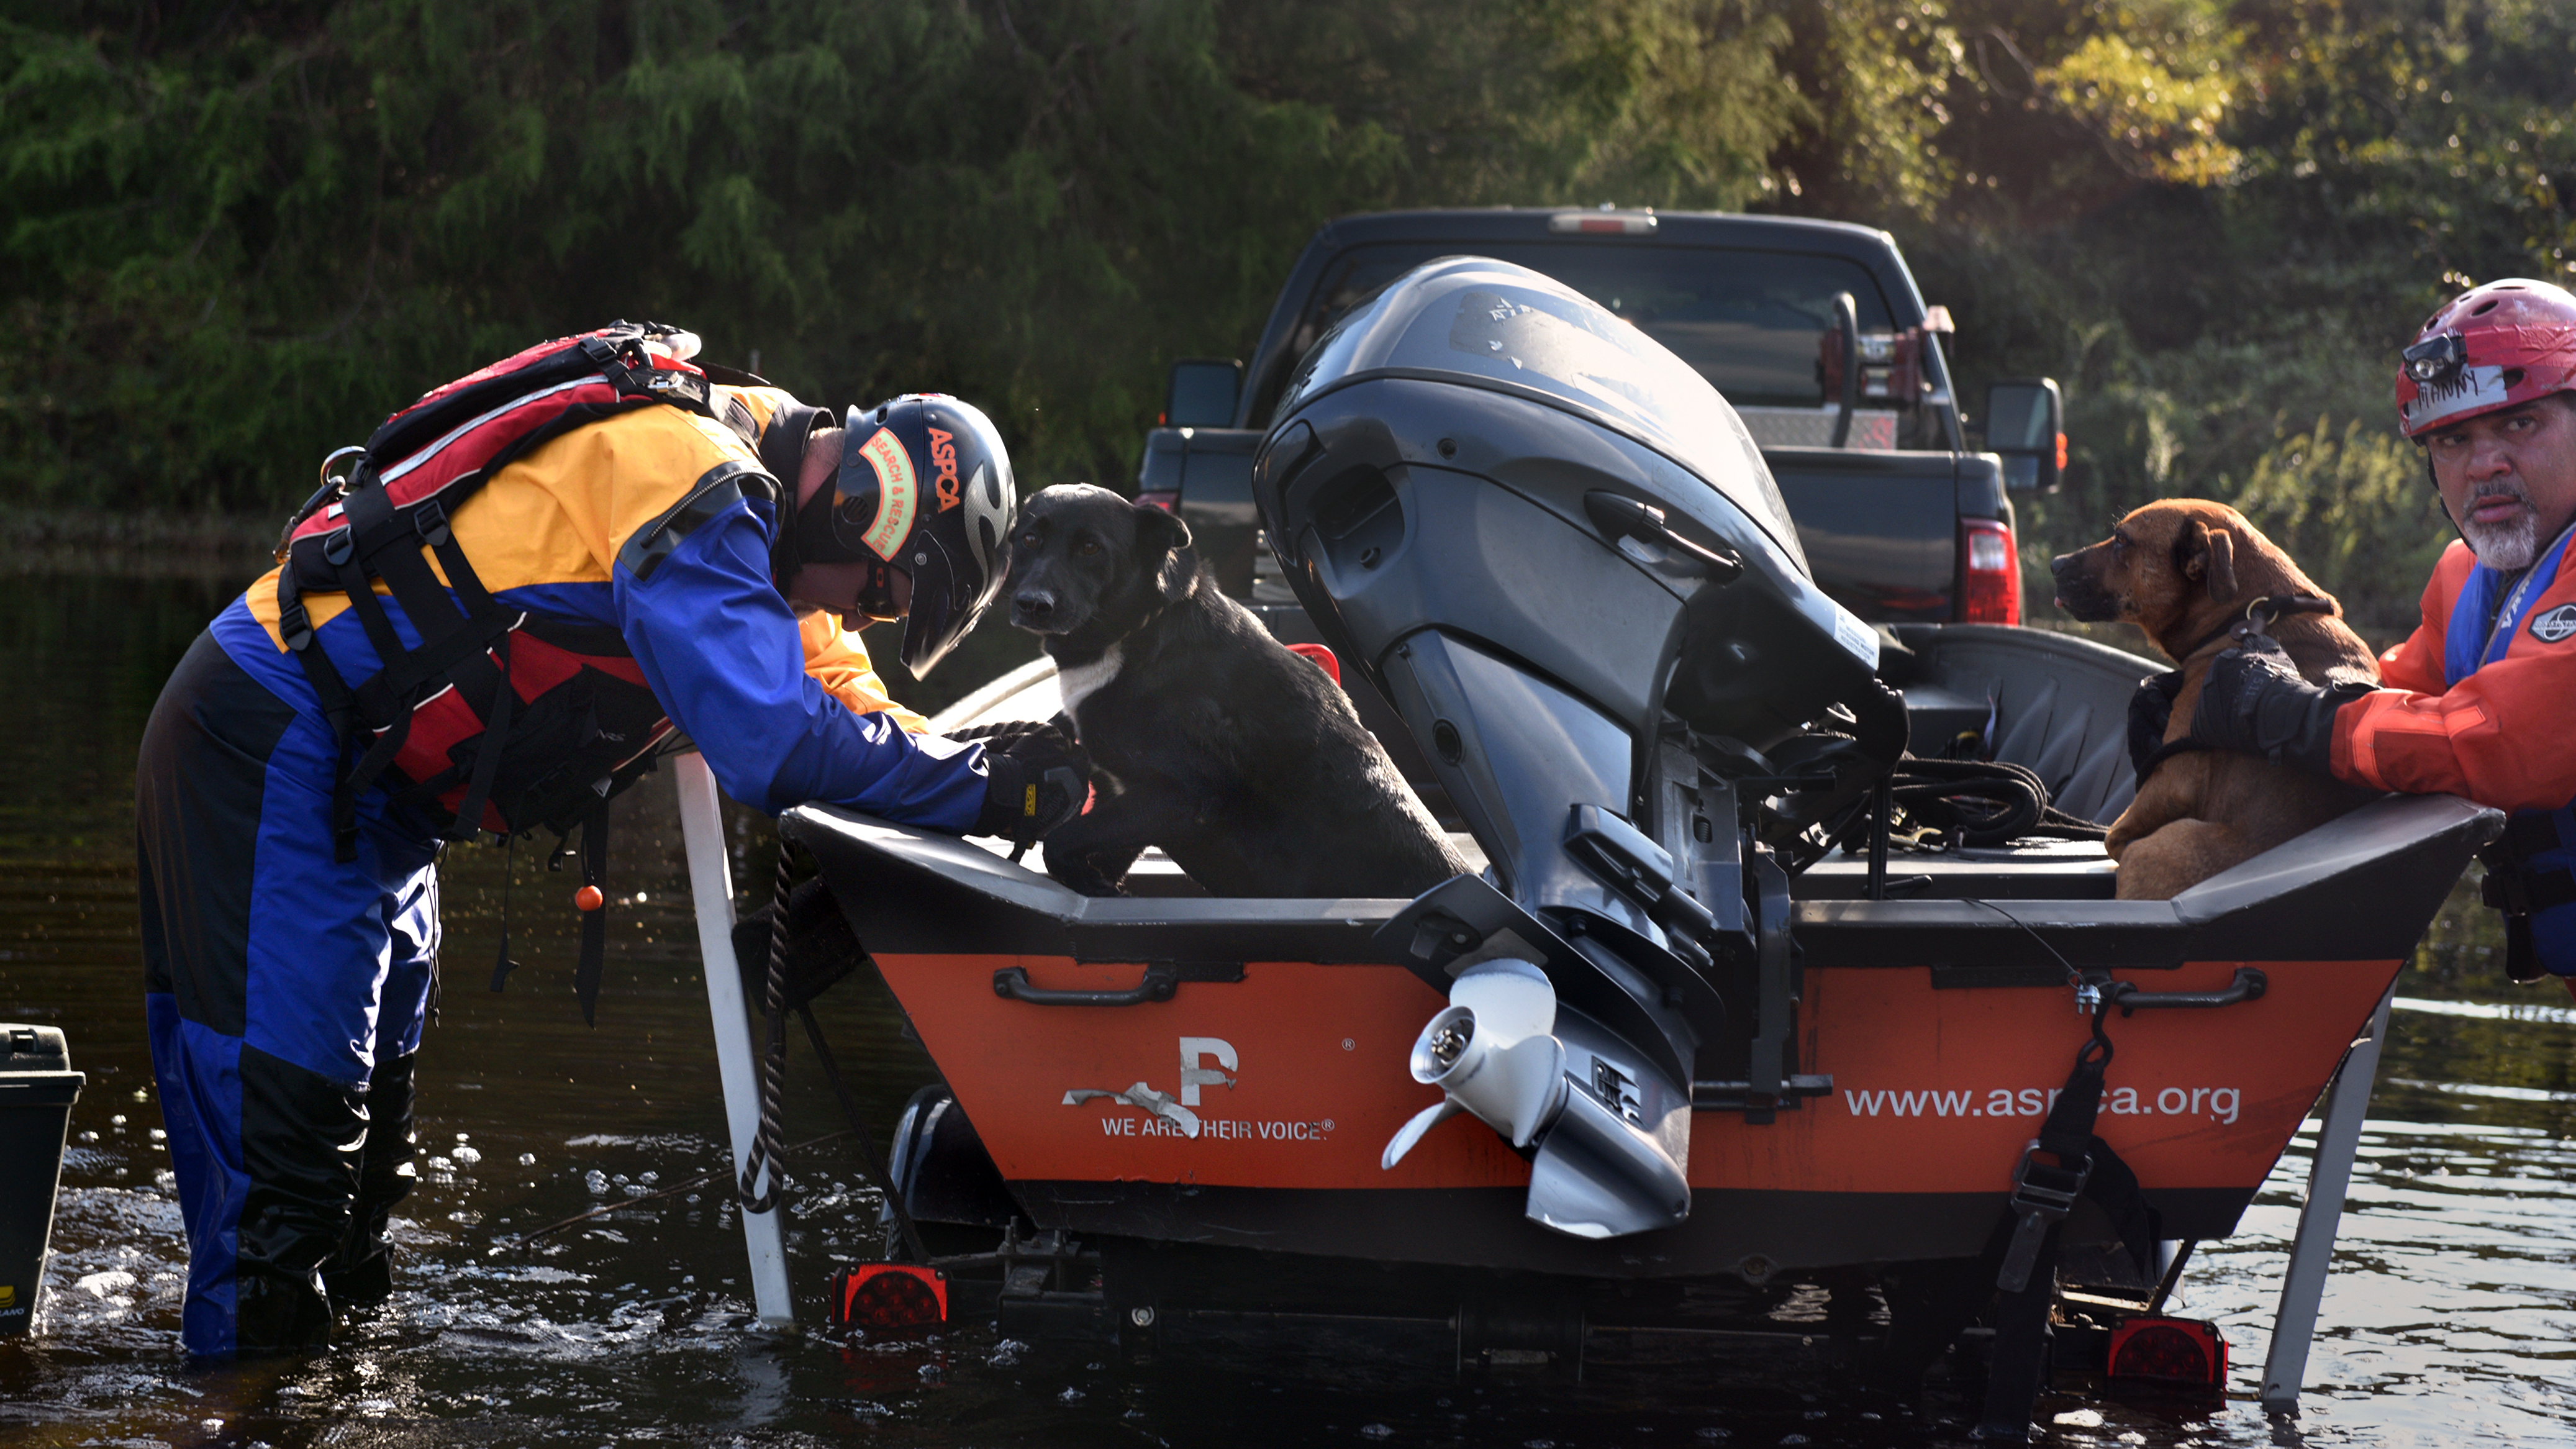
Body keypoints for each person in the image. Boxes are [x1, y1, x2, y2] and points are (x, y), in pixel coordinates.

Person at [135, 328, 1088, 1358]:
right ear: (867, 502)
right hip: (273, 739)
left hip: (383, 805)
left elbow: (849, 704)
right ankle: (224, 1409)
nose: (859, 612)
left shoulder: (779, 537)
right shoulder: (695, 481)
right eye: (884, 592)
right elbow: (774, 743)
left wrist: (996, 763)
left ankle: (312, 1399)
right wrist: (983, 789)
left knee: (360, 1210)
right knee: (281, 1207)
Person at [2192, 278, 2576, 990]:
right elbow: (2391, 704)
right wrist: (2205, 708)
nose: (2482, 464)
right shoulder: (2465, 577)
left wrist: (2299, 717)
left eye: (2519, 424)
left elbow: (2499, 744)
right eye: (2453, 439)